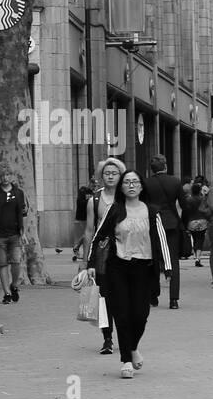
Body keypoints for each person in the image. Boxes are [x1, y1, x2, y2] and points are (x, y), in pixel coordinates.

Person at [87, 170, 171, 379]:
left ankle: (133, 347)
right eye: (127, 182)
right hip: (118, 268)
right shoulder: (115, 210)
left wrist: (168, 267)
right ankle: (126, 360)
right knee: (122, 314)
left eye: (135, 182)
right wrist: (89, 263)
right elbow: (98, 237)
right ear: (121, 187)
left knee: (141, 315)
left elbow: (161, 239)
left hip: (144, 268)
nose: (131, 185)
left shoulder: (152, 211)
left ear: (142, 186)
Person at [83, 157, 125, 355]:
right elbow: (89, 231)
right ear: (101, 176)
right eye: (107, 173)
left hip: (126, 254)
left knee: (124, 297)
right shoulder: (94, 201)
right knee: (103, 297)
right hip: (102, 254)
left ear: (120, 176)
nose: (110, 176)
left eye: (114, 173)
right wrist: (86, 262)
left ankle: (126, 335)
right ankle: (107, 338)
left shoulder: (127, 198)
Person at [143, 154, 186, 309]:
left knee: (153, 259)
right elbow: (184, 204)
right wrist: (182, 222)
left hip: (153, 223)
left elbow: (143, 205)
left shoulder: (147, 183)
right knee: (173, 260)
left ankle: (153, 296)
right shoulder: (175, 181)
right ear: (165, 166)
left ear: (152, 169)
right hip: (172, 224)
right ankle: (173, 299)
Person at [0, 169, 27, 305]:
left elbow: (24, 212)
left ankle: (14, 285)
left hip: (14, 234)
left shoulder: (19, 193)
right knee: (2, 264)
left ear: (12, 176)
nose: (5, 178)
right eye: (2, 175)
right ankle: (7, 293)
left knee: (16, 262)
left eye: (7, 175)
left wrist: (23, 232)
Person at [182, 182, 209, 268]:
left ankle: (195, 254)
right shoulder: (203, 199)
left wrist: (185, 223)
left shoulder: (188, 200)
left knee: (194, 238)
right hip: (202, 221)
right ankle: (198, 257)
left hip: (191, 222)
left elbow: (186, 212)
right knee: (200, 239)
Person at [71, 180, 94, 261]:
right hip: (82, 216)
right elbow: (80, 202)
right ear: (90, 184)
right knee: (88, 233)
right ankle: (78, 248)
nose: (94, 187)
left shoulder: (92, 192)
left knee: (89, 233)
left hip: (90, 216)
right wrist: (90, 201)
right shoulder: (83, 191)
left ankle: (77, 247)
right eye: (93, 185)